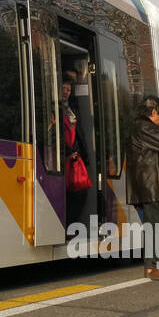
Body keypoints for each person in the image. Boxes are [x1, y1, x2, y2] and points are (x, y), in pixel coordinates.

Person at [126, 95, 159, 281]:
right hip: (152, 185)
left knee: (155, 226)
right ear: (153, 112)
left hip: (149, 185)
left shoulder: (139, 127)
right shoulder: (145, 127)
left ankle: (152, 267)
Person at [60, 78, 91, 229]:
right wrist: (68, 151)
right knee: (71, 192)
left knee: (78, 190)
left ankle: (70, 225)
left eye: (69, 90)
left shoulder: (70, 108)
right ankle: (67, 226)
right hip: (64, 156)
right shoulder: (55, 109)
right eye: (64, 88)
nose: (66, 92)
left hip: (74, 157)